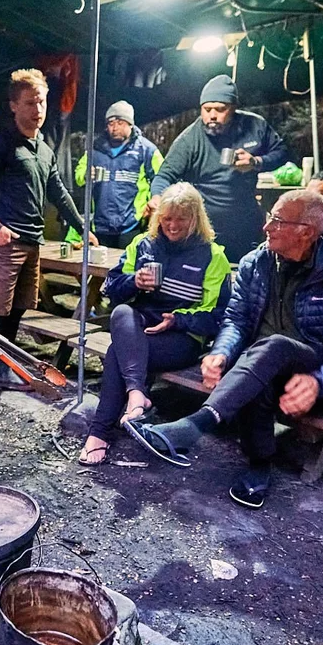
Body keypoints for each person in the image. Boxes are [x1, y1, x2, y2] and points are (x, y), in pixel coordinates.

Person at [126, 190, 323, 509]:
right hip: (260, 366)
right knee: (259, 363)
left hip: (314, 373)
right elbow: (236, 319)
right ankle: (259, 464)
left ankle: (193, 427)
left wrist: (321, 381)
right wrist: (221, 352)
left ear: (306, 232)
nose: (266, 227)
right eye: (269, 217)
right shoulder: (256, 262)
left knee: (273, 346)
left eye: (277, 220)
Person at [77, 183, 230, 467]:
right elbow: (110, 289)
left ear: (195, 219)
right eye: (167, 218)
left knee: (117, 352)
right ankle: (137, 395)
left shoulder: (212, 256)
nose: (172, 225)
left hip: (182, 338)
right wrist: (133, 281)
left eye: (181, 219)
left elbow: (219, 317)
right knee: (122, 312)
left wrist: (178, 320)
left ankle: (99, 432)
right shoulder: (143, 244)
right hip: (139, 328)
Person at [0, 68, 96, 388]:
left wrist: (82, 226)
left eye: (41, 102)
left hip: (33, 240)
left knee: (18, 307)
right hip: (5, 243)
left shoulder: (43, 148)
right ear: (14, 105)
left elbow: (58, 191)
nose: (38, 109)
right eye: (30, 103)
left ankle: (1, 367)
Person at [150, 74, 290, 262]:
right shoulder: (190, 139)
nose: (213, 115)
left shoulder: (255, 126)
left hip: (245, 218)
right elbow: (164, 176)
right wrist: (157, 197)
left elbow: (282, 152)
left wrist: (256, 162)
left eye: (220, 109)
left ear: (233, 108)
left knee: (246, 267)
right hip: (204, 222)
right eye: (207, 109)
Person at [72, 100, 163, 249]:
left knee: (129, 263)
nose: (115, 128)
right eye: (111, 123)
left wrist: (155, 199)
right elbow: (79, 175)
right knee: (100, 263)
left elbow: (162, 177)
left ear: (130, 124)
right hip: (101, 225)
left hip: (132, 226)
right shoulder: (95, 149)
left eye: (120, 123)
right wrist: (85, 175)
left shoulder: (146, 150)